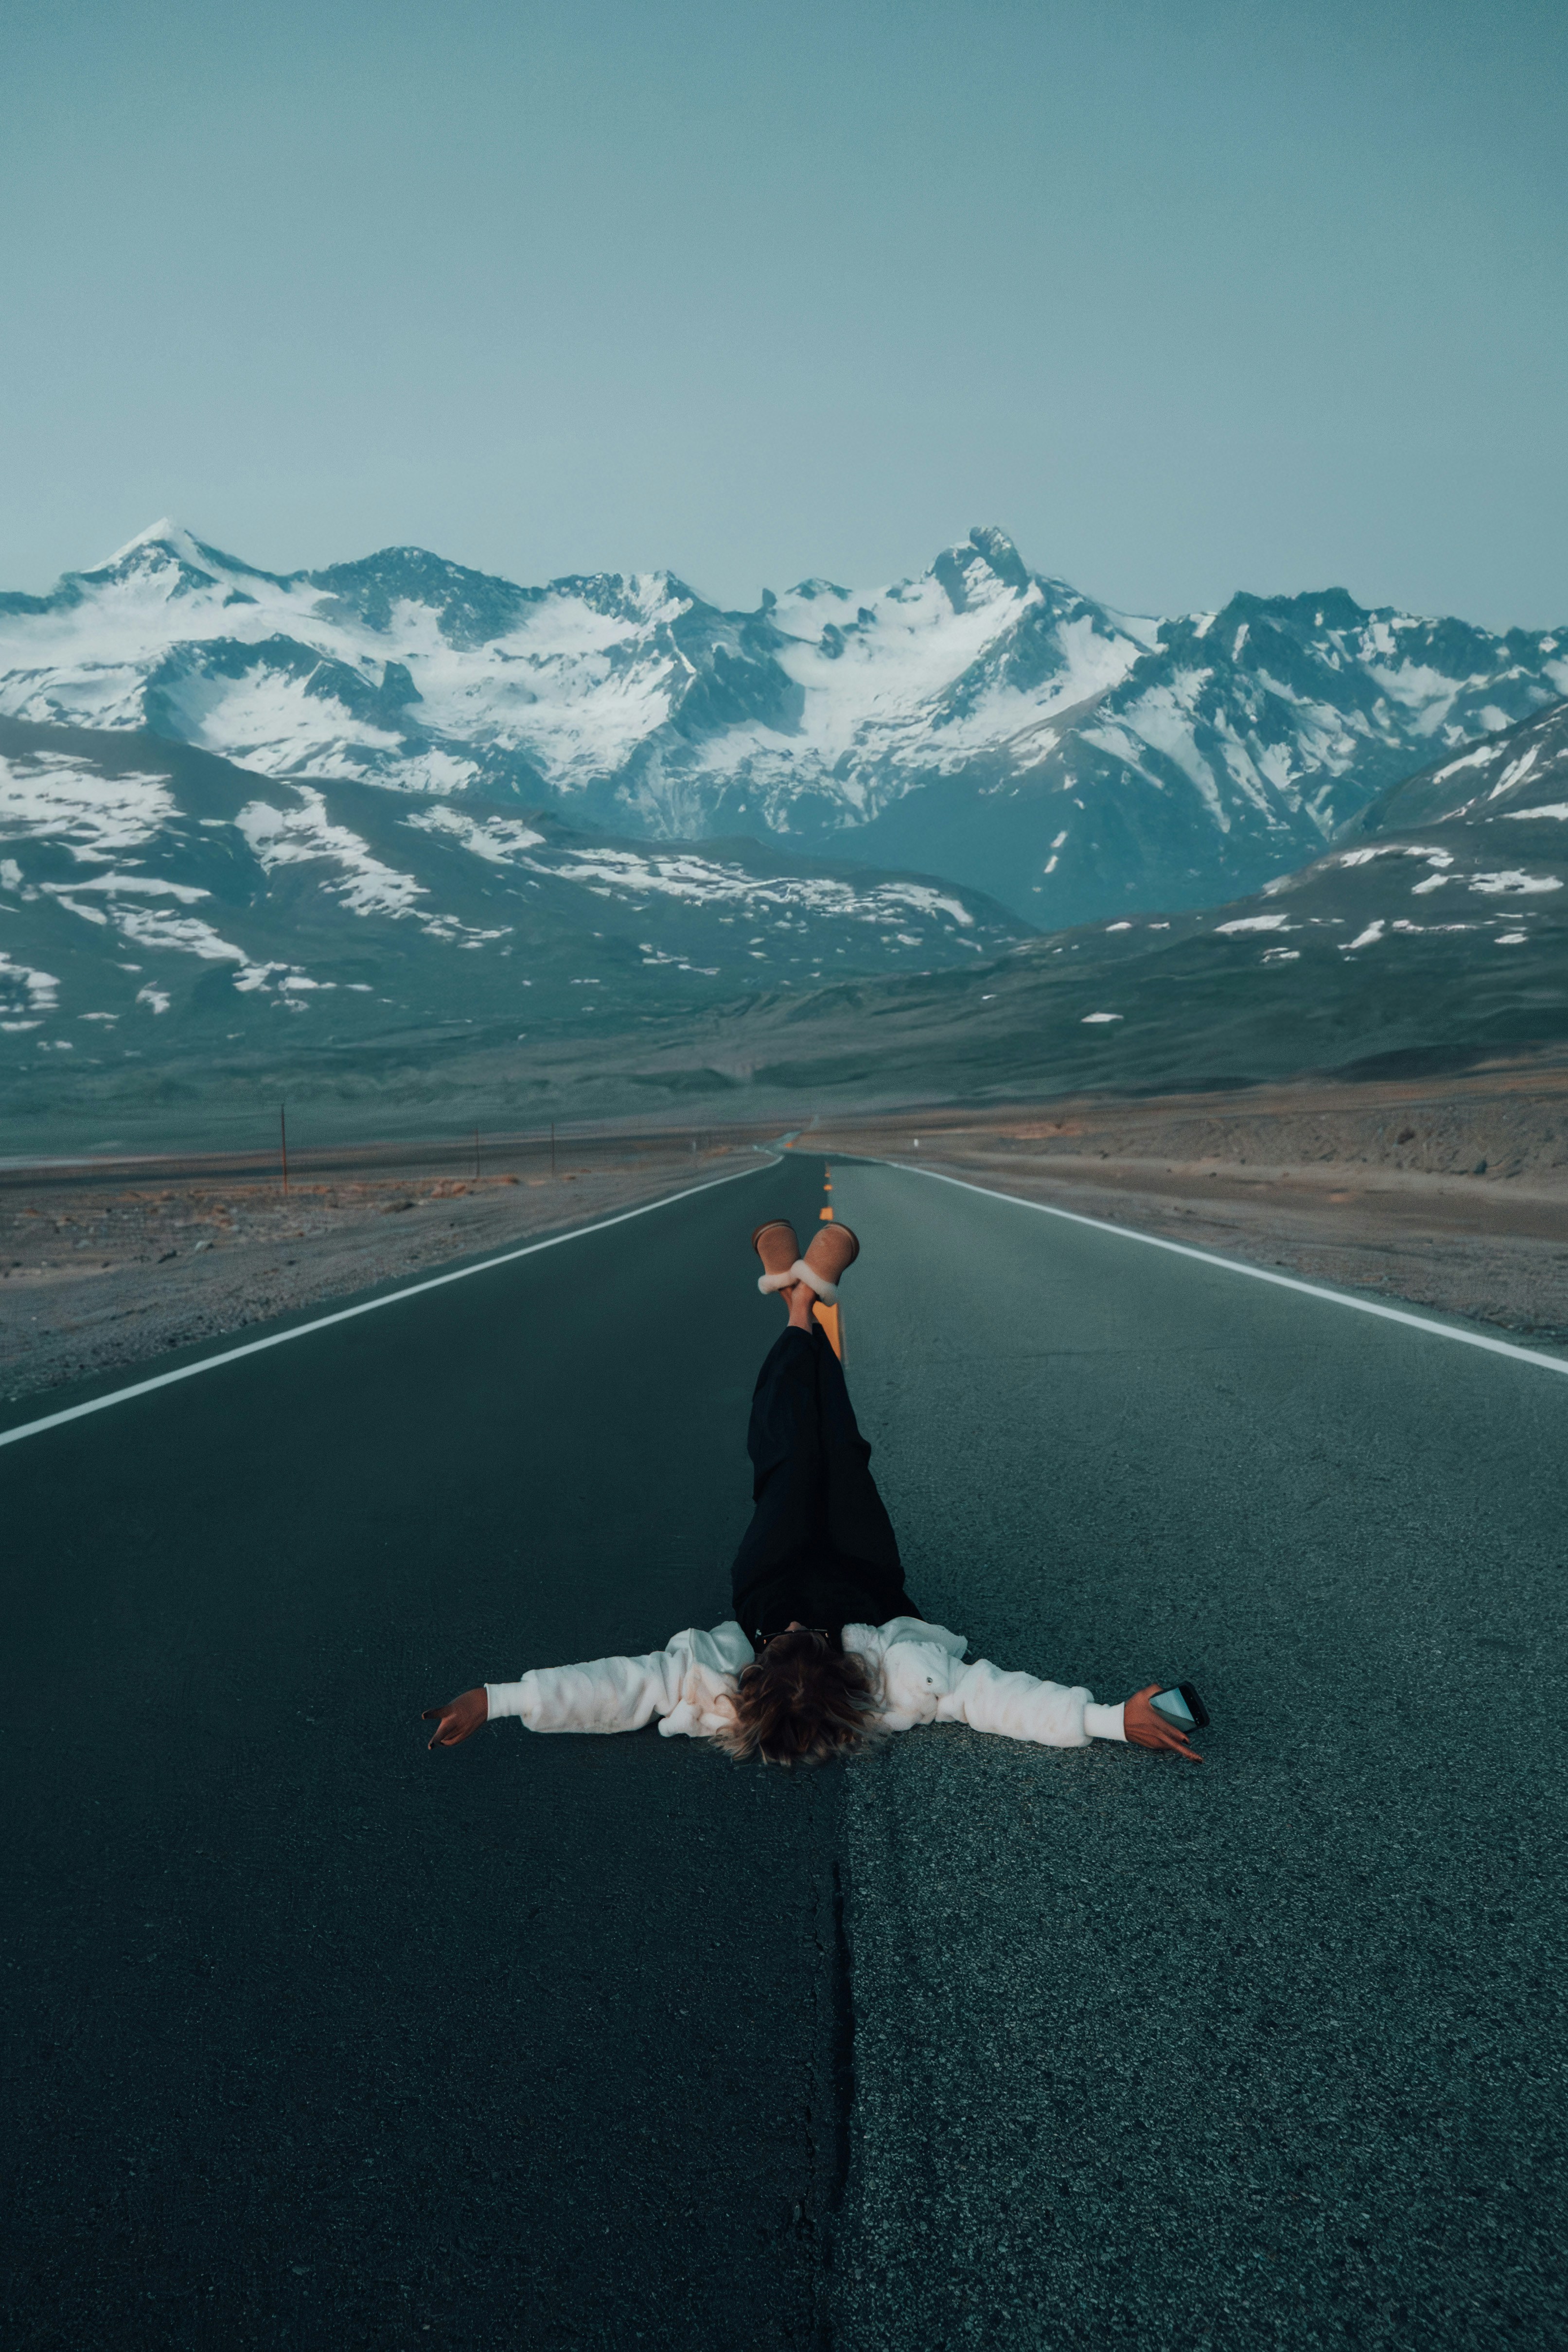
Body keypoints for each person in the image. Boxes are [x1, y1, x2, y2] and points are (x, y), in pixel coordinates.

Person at [423, 1217, 1202, 1767]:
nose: (795, 1625)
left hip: (770, 1564)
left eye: (778, 1638)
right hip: (866, 1575)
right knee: (843, 1452)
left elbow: (621, 1685)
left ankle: (796, 1304)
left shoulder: (718, 1684)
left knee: (790, 1457)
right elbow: (997, 1700)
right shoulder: (897, 1675)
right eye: (810, 1637)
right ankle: (804, 1298)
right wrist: (1104, 1718)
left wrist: (499, 1699)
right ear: (844, 1666)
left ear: (755, 1667)